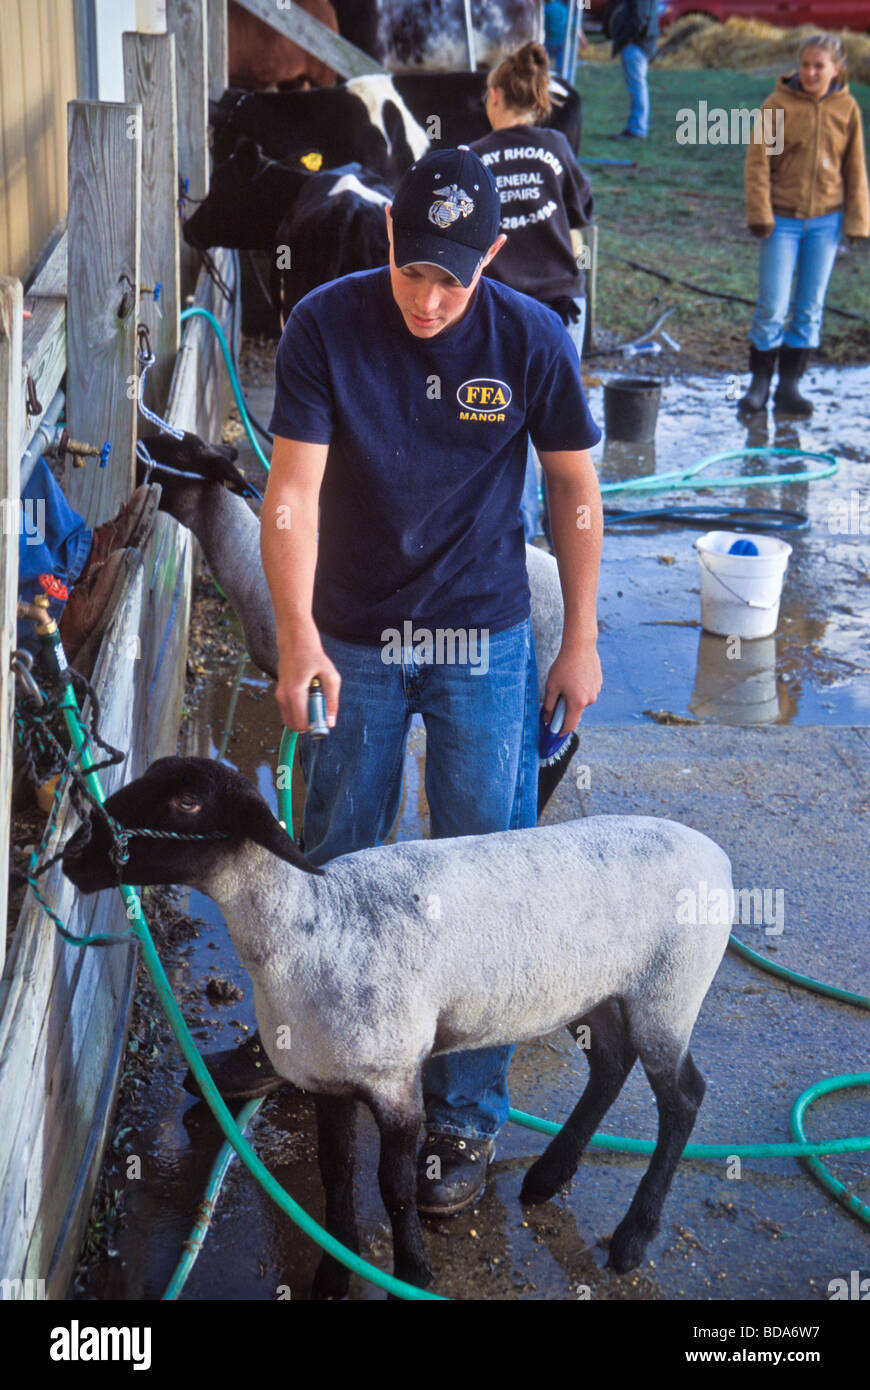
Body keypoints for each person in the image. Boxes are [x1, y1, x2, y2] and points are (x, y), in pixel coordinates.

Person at [195, 147, 603, 1216]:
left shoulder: (534, 338)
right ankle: (323, 1059)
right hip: (357, 637)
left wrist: (582, 639)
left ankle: (463, 1119)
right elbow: (291, 495)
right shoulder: (328, 322)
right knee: (334, 857)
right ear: (388, 237)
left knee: (490, 870)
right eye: (412, 269)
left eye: (451, 279)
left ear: (493, 258)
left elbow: (573, 491)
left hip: (483, 636)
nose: (427, 297)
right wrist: (297, 636)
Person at [470, 41, 594, 542]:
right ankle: (569, 528)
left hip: (503, 312)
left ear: (495, 95)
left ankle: (518, 537)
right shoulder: (556, 147)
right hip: (564, 304)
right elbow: (582, 219)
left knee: (505, 423)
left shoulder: (473, 160)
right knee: (563, 429)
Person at [740, 33, 869, 417]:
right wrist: (761, 213)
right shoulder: (777, 106)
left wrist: (857, 219)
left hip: (825, 222)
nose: (811, 72)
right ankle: (759, 384)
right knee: (773, 305)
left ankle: (789, 387)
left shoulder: (847, 109)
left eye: (819, 66)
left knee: (810, 306)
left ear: (836, 69)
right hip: (782, 220)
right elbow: (758, 164)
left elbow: (855, 167)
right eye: (806, 65)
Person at [609, 0, 658, 140]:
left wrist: (625, 38)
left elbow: (639, 18)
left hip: (636, 44)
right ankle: (636, 126)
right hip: (641, 43)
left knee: (637, 88)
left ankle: (637, 128)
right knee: (637, 87)